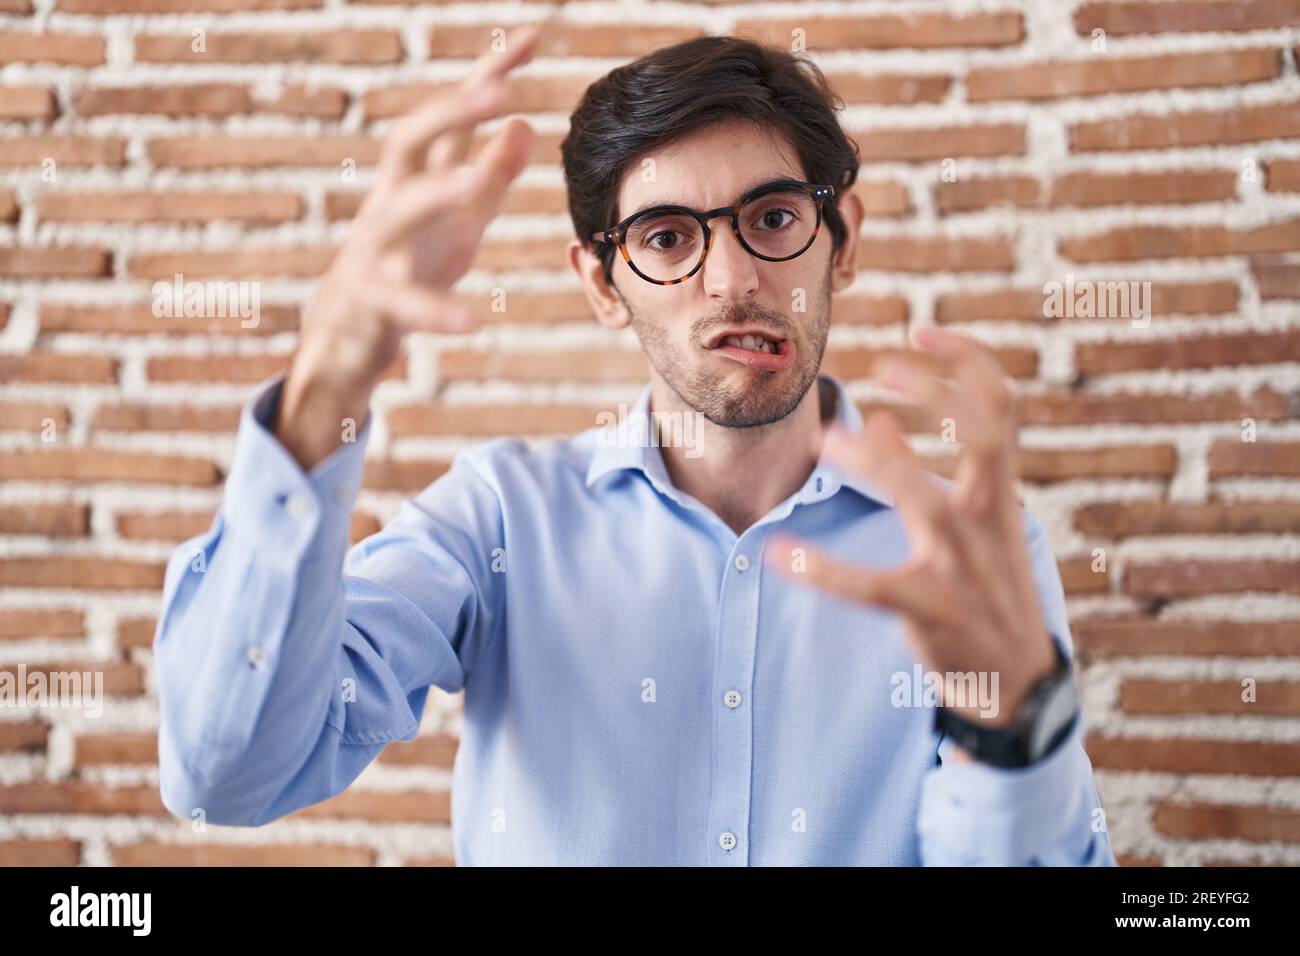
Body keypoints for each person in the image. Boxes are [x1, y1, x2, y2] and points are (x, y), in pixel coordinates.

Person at [154, 26, 1117, 866]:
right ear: (603, 282)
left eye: (774, 218)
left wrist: (1012, 735)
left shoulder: (971, 551)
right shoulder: (498, 518)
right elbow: (226, 778)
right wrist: (324, 389)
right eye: (665, 238)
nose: (733, 278)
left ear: (842, 238)